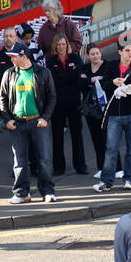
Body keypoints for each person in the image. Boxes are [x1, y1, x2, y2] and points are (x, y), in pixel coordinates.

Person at [0, 45, 57, 204]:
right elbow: (2, 99)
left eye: (14, 56)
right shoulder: (9, 74)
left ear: (24, 56)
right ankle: (22, 193)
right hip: (17, 123)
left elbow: (52, 97)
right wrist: (7, 119)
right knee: (19, 161)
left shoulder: (43, 73)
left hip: (38, 121)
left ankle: (47, 191)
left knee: (43, 159)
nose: (11, 59)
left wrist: (45, 118)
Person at [94, 41, 131, 191]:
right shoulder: (111, 66)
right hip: (114, 115)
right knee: (111, 149)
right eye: (127, 50)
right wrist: (113, 82)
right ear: (120, 52)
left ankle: (129, 179)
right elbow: (103, 85)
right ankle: (106, 181)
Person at [48, 33, 88, 177]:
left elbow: (79, 78)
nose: (61, 47)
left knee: (77, 134)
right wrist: (70, 76)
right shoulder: (51, 61)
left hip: (74, 102)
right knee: (57, 136)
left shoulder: (75, 59)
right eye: (58, 45)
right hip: (57, 104)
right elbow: (53, 81)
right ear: (55, 46)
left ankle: (80, 165)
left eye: (63, 44)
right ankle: (58, 167)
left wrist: (66, 77)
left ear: (67, 45)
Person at [84, 44, 112, 174]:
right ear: (88, 56)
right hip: (91, 109)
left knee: (109, 138)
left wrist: (89, 81)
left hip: (105, 107)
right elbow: (79, 83)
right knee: (96, 139)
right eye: (92, 54)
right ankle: (101, 168)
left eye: (97, 53)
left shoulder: (107, 66)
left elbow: (108, 82)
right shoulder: (84, 68)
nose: (95, 56)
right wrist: (93, 79)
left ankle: (116, 168)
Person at [0, 27, 20, 103]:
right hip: (5, 100)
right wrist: (1, 97)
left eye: (11, 36)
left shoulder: (24, 54)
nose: (8, 38)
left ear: (16, 38)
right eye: (6, 36)